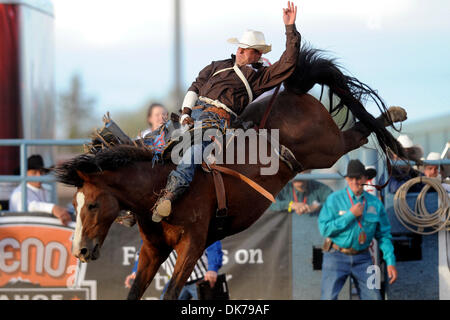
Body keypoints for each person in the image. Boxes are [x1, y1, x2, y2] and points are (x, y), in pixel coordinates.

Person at [152, 1, 300, 222]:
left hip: (216, 123)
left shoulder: (258, 78)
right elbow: (195, 87)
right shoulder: (216, 65)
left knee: (194, 151)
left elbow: (288, 62)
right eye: (247, 48)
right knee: (152, 144)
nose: (246, 52)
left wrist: (290, 28)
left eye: (253, 51)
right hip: (190, 116)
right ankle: (132, 201)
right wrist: (185, 113)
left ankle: (171, 194)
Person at [318, 159, 398, 300]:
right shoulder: (334, 200)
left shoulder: (375, 204)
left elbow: (384, 235)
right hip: (336, 254)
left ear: (365, 178)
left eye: (358, 178)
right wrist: (350, 215)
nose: (355, 181)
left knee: (374, 297)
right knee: (329, 297)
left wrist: (390, 261)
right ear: (347, 179)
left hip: (363, 257)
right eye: (351, 178)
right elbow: (324, 229)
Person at [125, 241, 223, 300]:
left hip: (202, 277)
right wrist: (136, 271)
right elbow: (145, 252)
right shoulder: (154, 229)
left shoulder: (186, 219)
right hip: (176, 281)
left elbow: (213, 244)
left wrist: (212, 268)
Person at [9, 155, 72, 226]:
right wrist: (52, 208)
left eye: (41, 172)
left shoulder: (46, 190)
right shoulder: (18, 193)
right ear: (24, 173)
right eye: (34, 172)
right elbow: (28, 207)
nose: (39, 176)